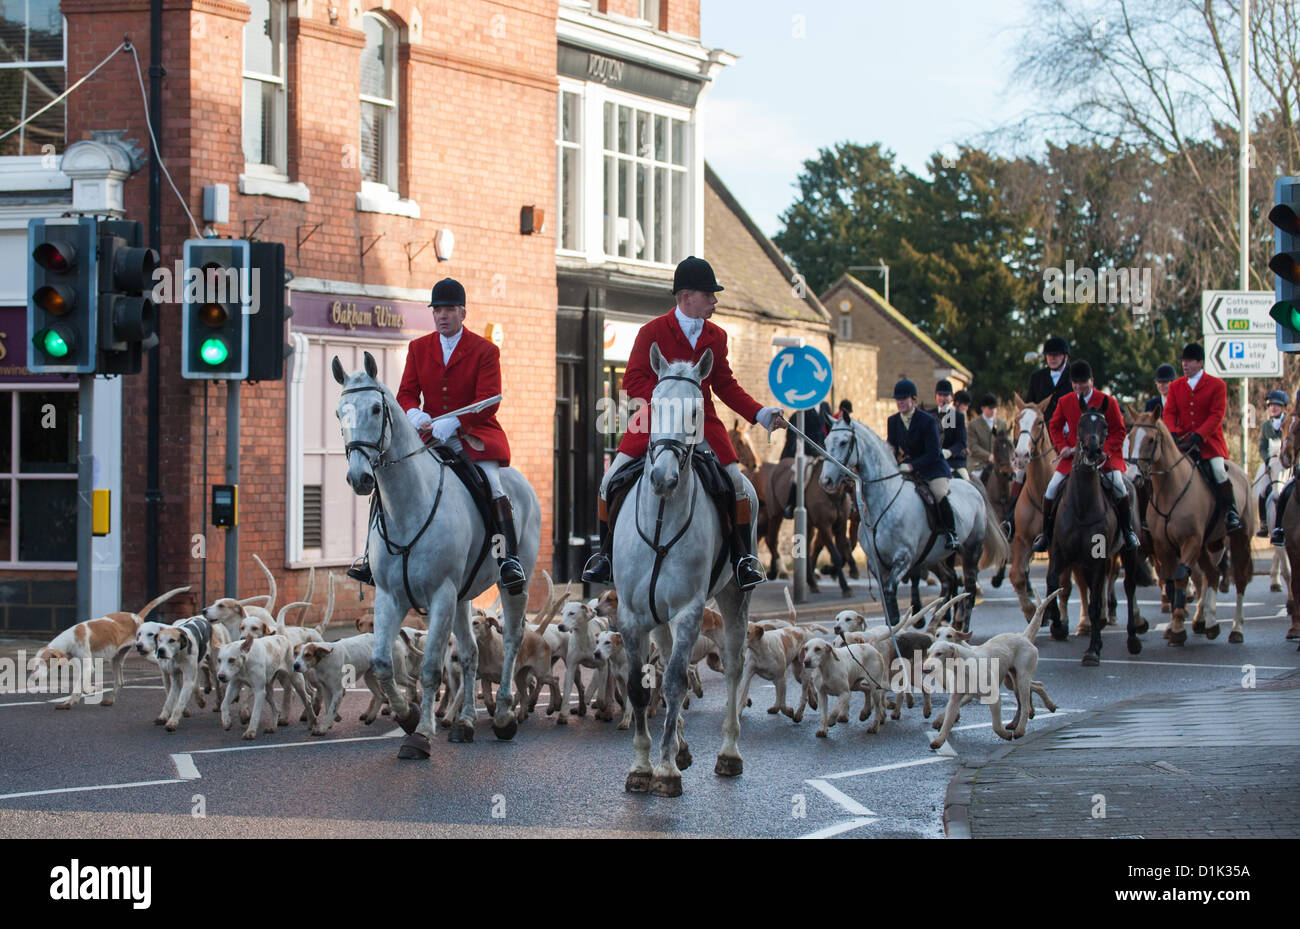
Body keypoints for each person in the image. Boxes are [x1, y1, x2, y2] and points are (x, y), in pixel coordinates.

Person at [580, 256, 788, 589]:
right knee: (609, 481)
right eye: (709, 295)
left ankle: (742, 558)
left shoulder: (717, 337)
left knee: (737, 485)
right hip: (655, 422)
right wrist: (668, 400)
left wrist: (760, 413)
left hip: (702, 425)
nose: (715, 301)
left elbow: (725, 385)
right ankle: (605, 555)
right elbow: (632, 380)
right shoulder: (652, 331)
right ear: (685, 296)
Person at [347, 277, 526, 594]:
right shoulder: (418, 348)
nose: (442, 316)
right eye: (437, 310)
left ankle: (506, 559)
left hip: (471, 435)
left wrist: (455, 422)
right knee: (389, 479)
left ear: (462, 313)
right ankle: (370, 557)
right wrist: (414, 413)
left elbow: (488, 399)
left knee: (494, 486)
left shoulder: (485, 350)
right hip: (428, 433)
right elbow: (405, 393)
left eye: (449, 310)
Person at [1033, 360, 1139, 553]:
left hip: (1104, 458)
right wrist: (1062, 446)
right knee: (1051, 488)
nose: (1079, 387)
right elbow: (1054, 426)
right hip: (1073, 459)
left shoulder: (1108, 401)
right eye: (1075, 384)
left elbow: (1119, 431)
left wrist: (1105, 451)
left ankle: (1127, 530)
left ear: (1091, 381)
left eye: (1083, 383)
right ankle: (1046, 535)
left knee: (1120, 487)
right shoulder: (1065, 401)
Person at [1163, 342, 1243, 534]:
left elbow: (1217, 415)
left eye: (1189, 361)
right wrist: (1172, 432)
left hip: (1209, 443)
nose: (1185, 365)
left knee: (1218, 471)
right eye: (1183, 361)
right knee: (1163, 469)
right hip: (1181, 443)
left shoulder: (1217, 385)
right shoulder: (1175, 386)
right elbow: (1169, 413)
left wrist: (1199, 436)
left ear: (1200, 363)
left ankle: (1230, 511)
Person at [1004, 336, 1073, 535]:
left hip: (1066, 434)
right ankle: (1010, 520)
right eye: (1049, 355)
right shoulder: (1037, 377)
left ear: (1065, 357)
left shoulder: (1072, 377)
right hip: (1037, 434)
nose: (1052, 359)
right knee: (1020, 471)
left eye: (1056, 355)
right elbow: (1028, 407)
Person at [887, 378, 958, 548]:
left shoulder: (927, 420)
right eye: (898, 399)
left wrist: (911, 466)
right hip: (909, 468)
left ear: (913, 399)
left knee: (938, 493)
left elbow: (933, 453)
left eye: (903, 399)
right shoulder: (893, 421)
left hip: (933, 468)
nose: (900, 403)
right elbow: (893, 447)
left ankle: (951, 532)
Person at [781, 403, 829, 519]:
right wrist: (812, 450)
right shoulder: (801, 411)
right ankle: (791, 504)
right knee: (801, 472)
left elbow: (829, 429)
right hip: (806, 452)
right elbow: (793, 436)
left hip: (824, 451)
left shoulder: (825, 407)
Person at [1256, 390, 1289, 536]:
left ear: (1283, 407)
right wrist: (1267, 460)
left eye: (1276, 405)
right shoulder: (1265, 426)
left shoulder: (1289, 422)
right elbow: (1262, 446)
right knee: (1262, 491)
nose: (1273, 408)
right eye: (1271, 405)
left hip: (1287, 462)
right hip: (1270, 463)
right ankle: (1263, 524)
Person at [934, 379, 969, 480]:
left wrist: (949, 452)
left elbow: (961, 442)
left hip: (954, 462)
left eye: (945, 395)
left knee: (966, 482)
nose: (942, 398)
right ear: (935, 396)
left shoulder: (957, 417)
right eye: (939, 395)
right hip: (933, 460)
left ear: (951, 398)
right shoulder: (928, 415)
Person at [968, 392, 1007, 483]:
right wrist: (989, 456)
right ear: (983, 408)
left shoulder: (1002, 424)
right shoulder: (973, 425)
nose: (993, 411)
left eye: (995, 408)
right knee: (975, 482)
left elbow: (1006, 442)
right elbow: (973, 446)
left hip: (999, 463)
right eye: (990, 408)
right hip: (979, 464)